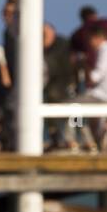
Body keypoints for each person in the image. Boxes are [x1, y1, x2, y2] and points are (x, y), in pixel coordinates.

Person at [76, 25, 107, 151]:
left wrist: (84, 64)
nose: (89, 43)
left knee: (73, 108)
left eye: (89, 39)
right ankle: (95, 139)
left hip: (104, 96)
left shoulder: (105, 52)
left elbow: (94, 77)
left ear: (97, 38)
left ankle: (85, 139)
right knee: (90, 116)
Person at [42, 21, 78, 151]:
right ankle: (57, 139)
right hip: (51, 89)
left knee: (75, 114)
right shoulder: (44, 48)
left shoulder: (61, 45)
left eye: (45, 33)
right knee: (52, 117)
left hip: (66, 86)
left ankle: (74, 140)